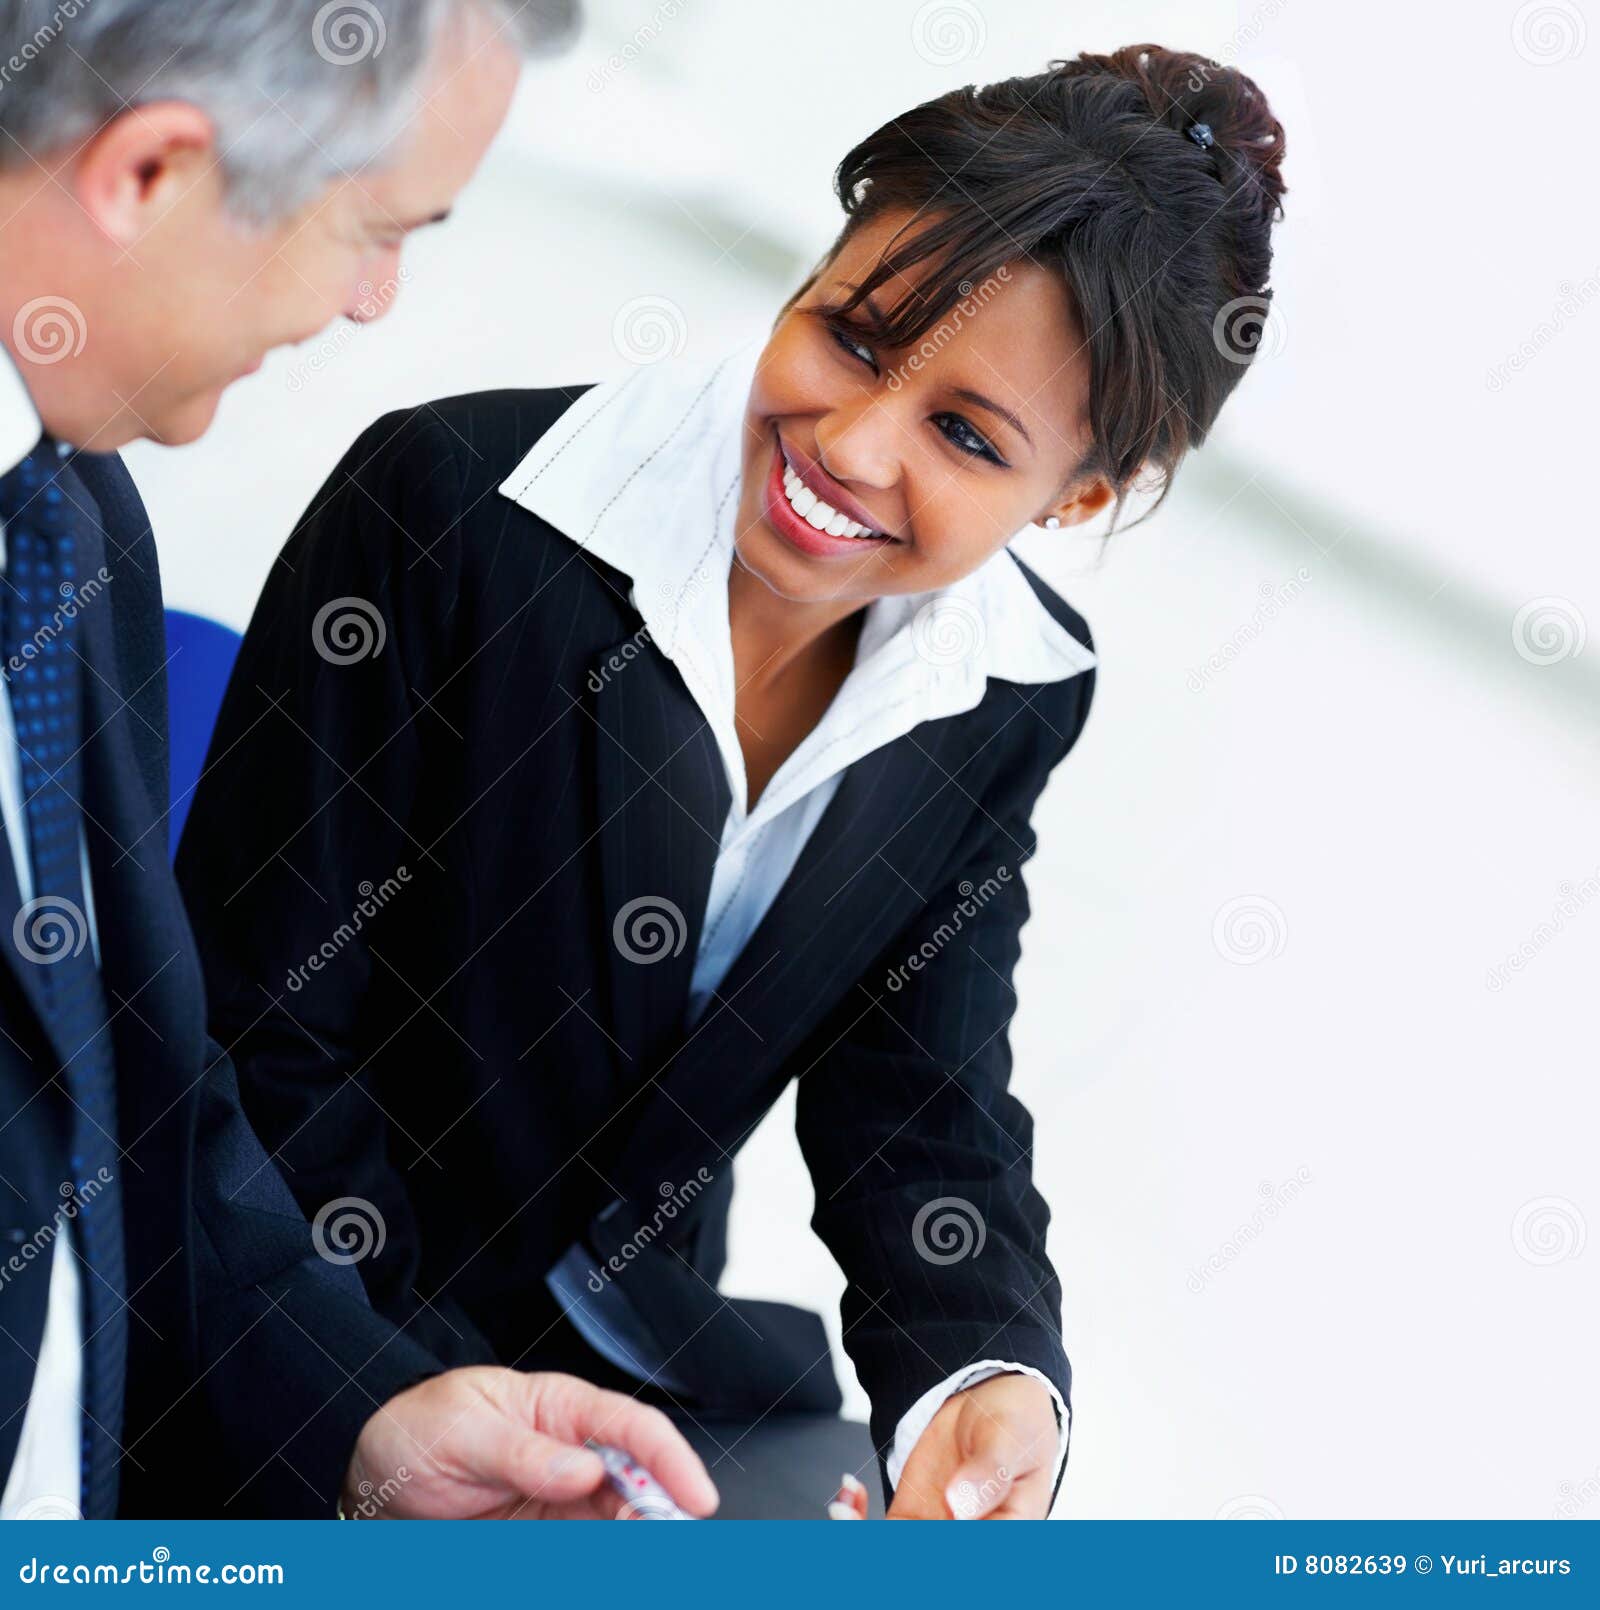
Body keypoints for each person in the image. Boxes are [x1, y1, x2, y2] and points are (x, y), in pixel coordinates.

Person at [176, 44, 1289, 1519]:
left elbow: (917, 1088)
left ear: (1075, 497)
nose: (850, 443)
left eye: (965, 434)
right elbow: (253, 1042)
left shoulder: (1012, 683)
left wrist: (985, 1369)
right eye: (853, 335)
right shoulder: (452, 509)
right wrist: (419, 1396)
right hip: (297, 1342)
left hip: (660, 1385)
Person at [0, 0, 719, 1522]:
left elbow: (148, 1121)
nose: (376, 302)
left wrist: (368, 1415)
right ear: (149, 174)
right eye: (373, 231)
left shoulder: (72, 530)